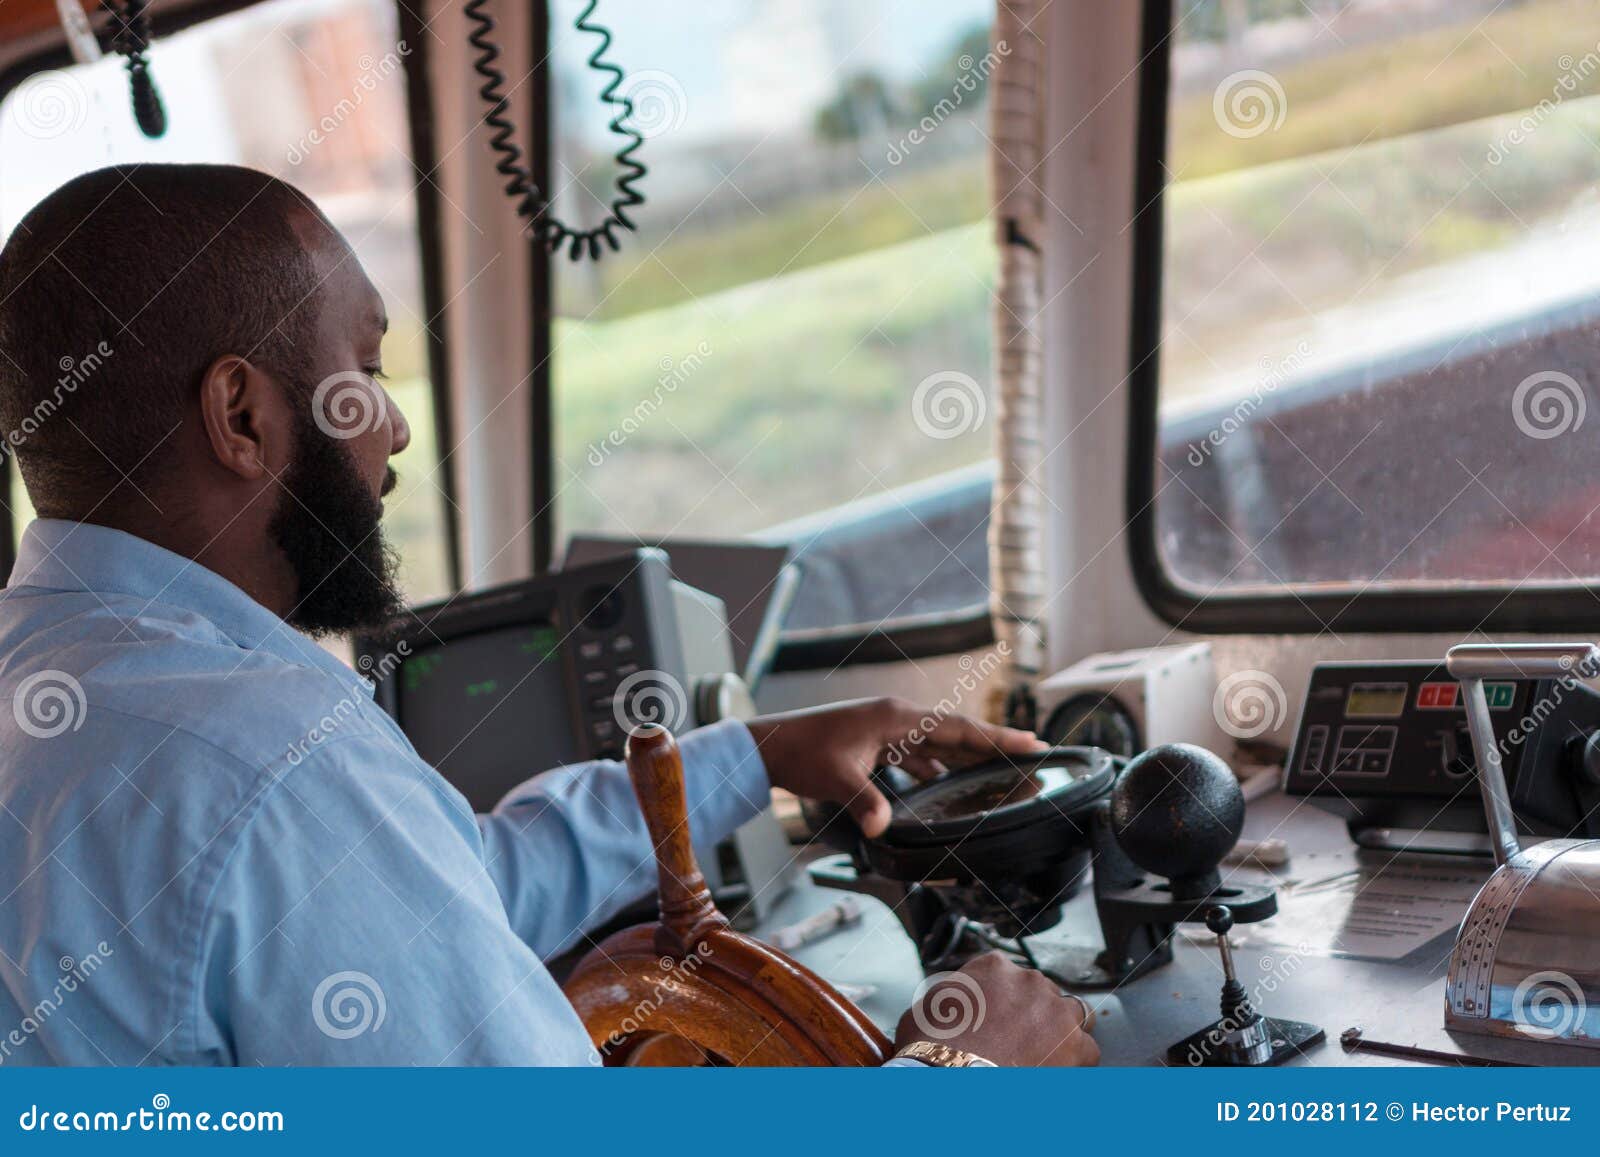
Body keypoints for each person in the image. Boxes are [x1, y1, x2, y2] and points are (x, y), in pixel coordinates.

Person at [0, 165, 1097, 1068]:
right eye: (366, 368)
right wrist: (967, 1068)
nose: (395, 430)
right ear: (241, 414)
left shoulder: (60, 692)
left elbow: (450, 884)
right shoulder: (266, 757)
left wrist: (758, 752)